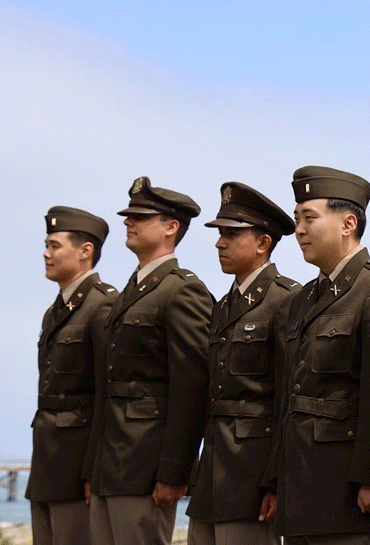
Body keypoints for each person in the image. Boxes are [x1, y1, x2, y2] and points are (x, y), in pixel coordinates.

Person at [273, 166, 370, 545]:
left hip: (347, 499)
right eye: (297, 219)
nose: (298, 230)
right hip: (300, 492)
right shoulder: (304, 300)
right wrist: (274, 481)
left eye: (309, 218)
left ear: (348, 224)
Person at [87, 176, 213, 545]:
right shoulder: (131, 289)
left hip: (145, 465)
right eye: (129, 215)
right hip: (111, 464)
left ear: (171, 227)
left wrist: (175, 471)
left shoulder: (181, 289)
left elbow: (193, 386)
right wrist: (92, 469)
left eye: (141, 216)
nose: (129, 222)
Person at [186, 182, 302, 545]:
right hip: (214, 472)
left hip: (251, 476)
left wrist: (276, 481)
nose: (220, 243)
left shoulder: (287, 300)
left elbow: (287, 399)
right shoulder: (223, 305)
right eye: (220, 234)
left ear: (263, 242)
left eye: (232, 234)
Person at [28, 206, 117, 545]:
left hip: (78, 464)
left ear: (85, 251)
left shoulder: (102, 305)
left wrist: (93, 469)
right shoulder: (56, 311)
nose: (46, 253)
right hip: (46, 462)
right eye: (47, 245)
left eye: (54, 245)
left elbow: (106, 393)